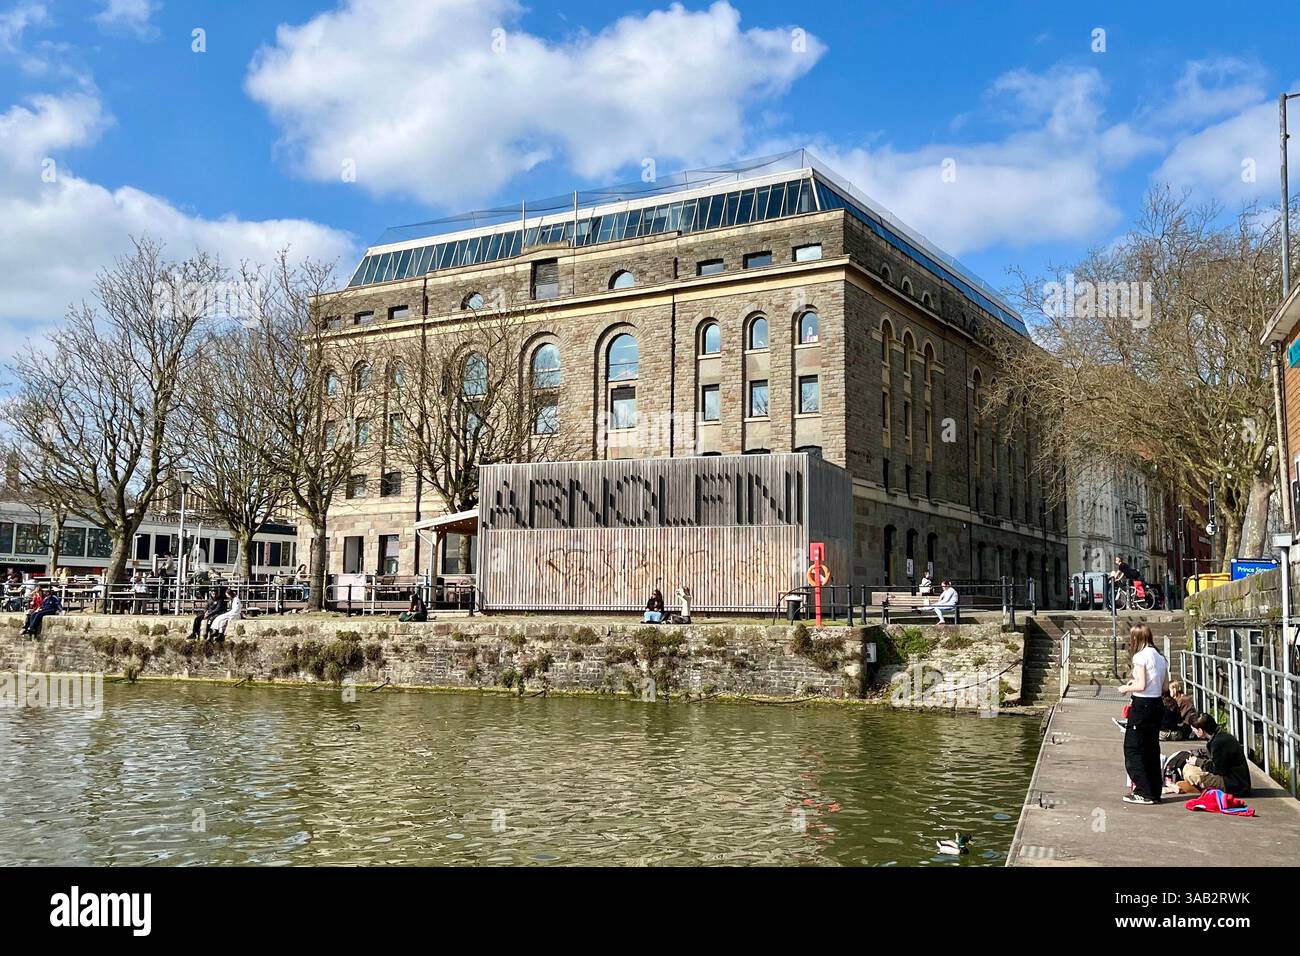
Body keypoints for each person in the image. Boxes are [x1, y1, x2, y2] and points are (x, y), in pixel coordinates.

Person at [1118, 623, 1169, 805]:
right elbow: (1165, 687)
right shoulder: (1161, 657)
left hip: (1142, 706)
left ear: (1136, 638)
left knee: (1133, 748)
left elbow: (1141, 686)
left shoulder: (1140, 657)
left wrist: (1126, 687)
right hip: (1157, 705)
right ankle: (1154, 791)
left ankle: (1142, 791)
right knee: (1151, 749)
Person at [1184, 713, 1252, 797]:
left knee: (1191, 774)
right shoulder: (1220, 737)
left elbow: (1218, 769)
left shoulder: (1218, 743)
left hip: (1233, 784)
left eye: (1193, 729)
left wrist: (1198, 761)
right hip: (1233, 779)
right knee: (1188, 767)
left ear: (1200, 730)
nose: (1193, 731)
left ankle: (1199, 787)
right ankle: (1199, 786)